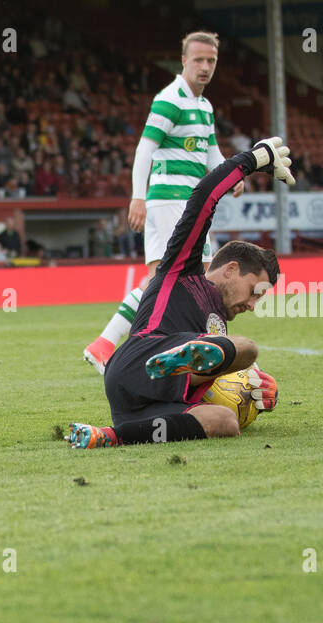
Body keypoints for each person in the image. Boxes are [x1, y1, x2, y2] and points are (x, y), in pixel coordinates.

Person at [67, 137, 290, 448]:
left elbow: (221, 390)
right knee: (247, 349)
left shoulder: (218, 325)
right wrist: (253, 160)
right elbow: (203, 196)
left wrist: (256, 387)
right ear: (231, 268)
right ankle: (173, 360)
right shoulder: (182, 272)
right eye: (255, 291)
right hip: (138, 359)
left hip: (138, 407)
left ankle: (109, 436)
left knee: (224, 421)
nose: (253, 305)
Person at [83, 31, 244, 375]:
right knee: (196, 274)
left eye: (211, 61)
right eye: (198, 60)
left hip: (181, 204)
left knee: (158, 280)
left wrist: (233, 177)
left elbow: (210, 153)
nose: (204, 67)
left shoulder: (203, 105)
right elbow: (145, 148)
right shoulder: (170, 99)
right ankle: (195, 343)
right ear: (183, 61)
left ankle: (105, 344)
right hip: (170, 202)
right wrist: (137, 196)